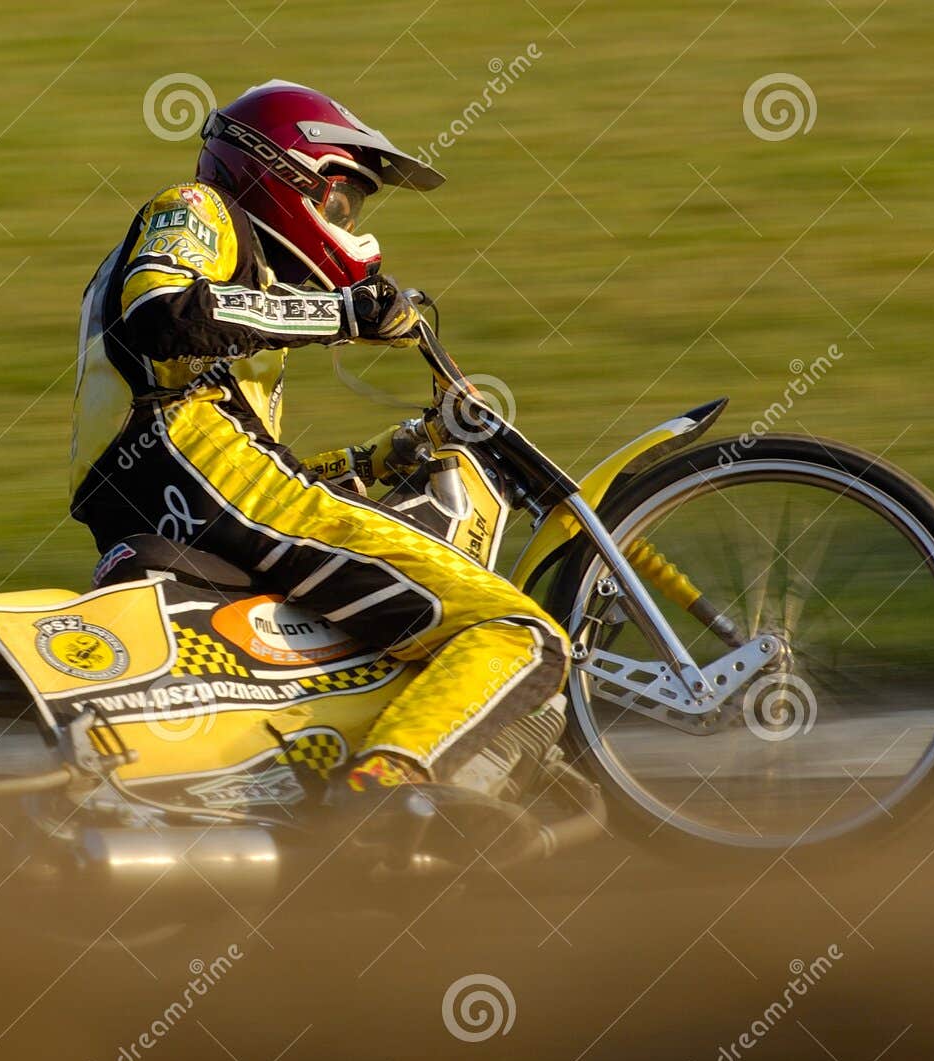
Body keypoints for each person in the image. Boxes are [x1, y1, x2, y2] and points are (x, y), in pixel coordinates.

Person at [68, 79, 569, 794]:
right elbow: (162, 315)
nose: (348, 216)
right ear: (282, 174)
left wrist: (378, 457)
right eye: (341, 197)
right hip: (187, 464)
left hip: (172, 496)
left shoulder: (247, 311)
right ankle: (387, 788)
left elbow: (273, 478)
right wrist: (343, 312)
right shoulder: (196, 208)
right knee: (518, 631)